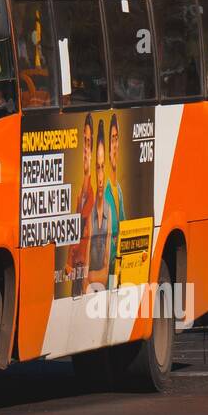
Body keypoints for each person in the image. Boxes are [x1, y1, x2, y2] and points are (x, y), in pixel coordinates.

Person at [68, 113, 95, 298]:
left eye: (88, 142)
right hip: (75, 277)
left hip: (85, 280)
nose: (86, 149)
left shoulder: (93, 198)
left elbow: (91, 240)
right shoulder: (79, 195)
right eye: (83, 142)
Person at [88, 120, 112, 290]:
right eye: (98, 168)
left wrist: (90, 276)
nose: (101, 176)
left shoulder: (109, 212)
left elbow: (104, 274)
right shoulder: (88, 210)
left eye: (103, 167)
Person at [106, 112, 127, 276]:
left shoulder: (118, 190)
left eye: (116, 139)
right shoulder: (103, 192)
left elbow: (124, 231)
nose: (114, 145)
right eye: (111, 140)